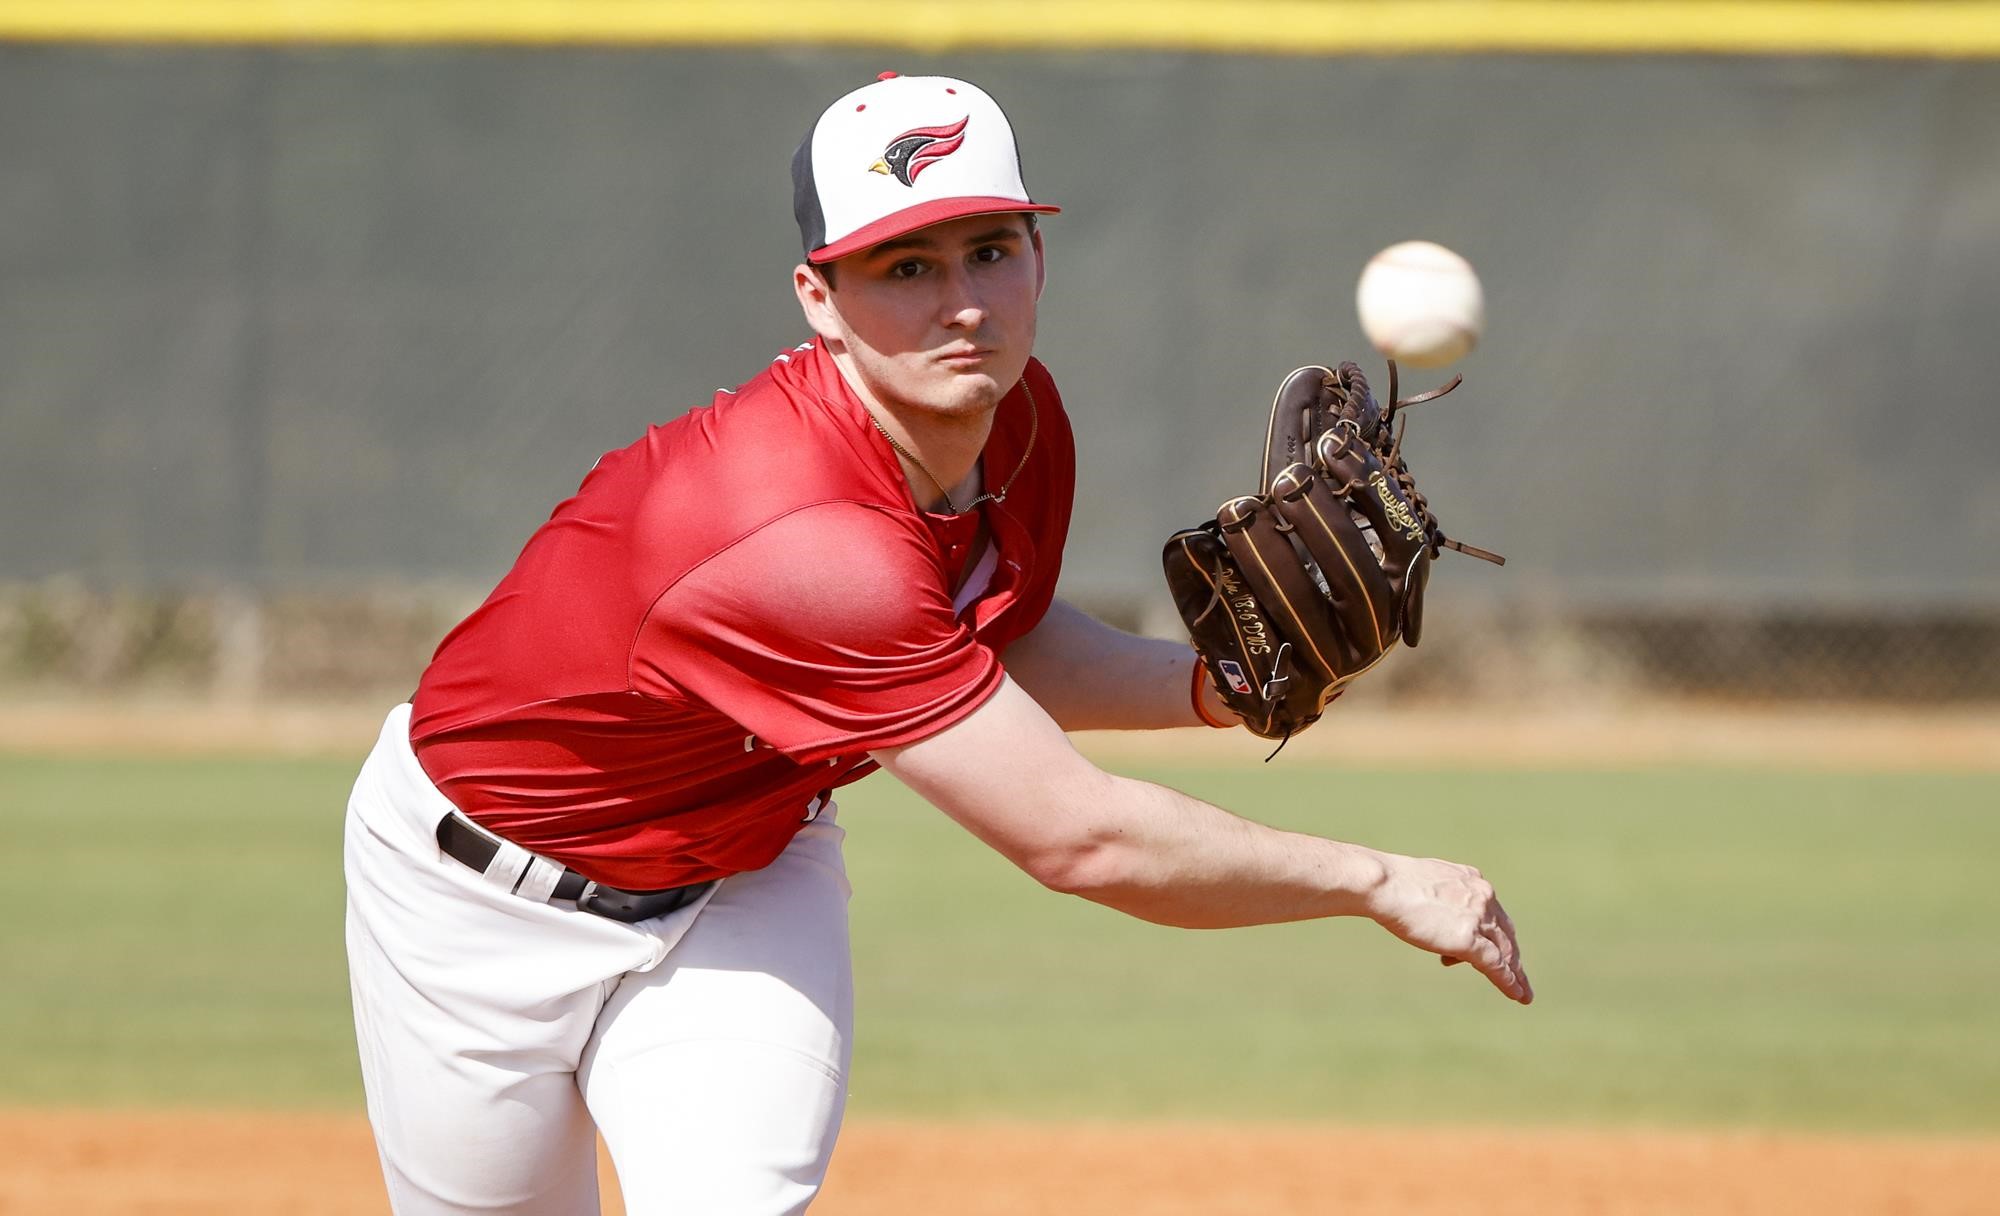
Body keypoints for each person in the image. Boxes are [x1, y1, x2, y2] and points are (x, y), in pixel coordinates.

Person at [343, 70, 1531, 1216]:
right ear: (819, 298)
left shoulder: (1012, 421)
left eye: (989, 251)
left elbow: (983, 642)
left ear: (1037, 256)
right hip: (470, 901)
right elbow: (1084, 838)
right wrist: (1376, 880)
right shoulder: (798, 534)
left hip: (740, 881)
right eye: (904, 266)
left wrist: (1218, 691)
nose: (961, 302)